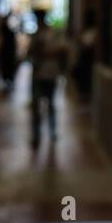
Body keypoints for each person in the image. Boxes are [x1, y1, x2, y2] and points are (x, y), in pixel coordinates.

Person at [25, 8, 65, 149]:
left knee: (50, 105)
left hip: (49, 74)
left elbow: (60, 51)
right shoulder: (38, 35)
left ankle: (51, 133)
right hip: (40, 74)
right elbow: (30, 53)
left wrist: (43, 53)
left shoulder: (51, 34)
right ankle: (38, 135)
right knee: (38, 106)